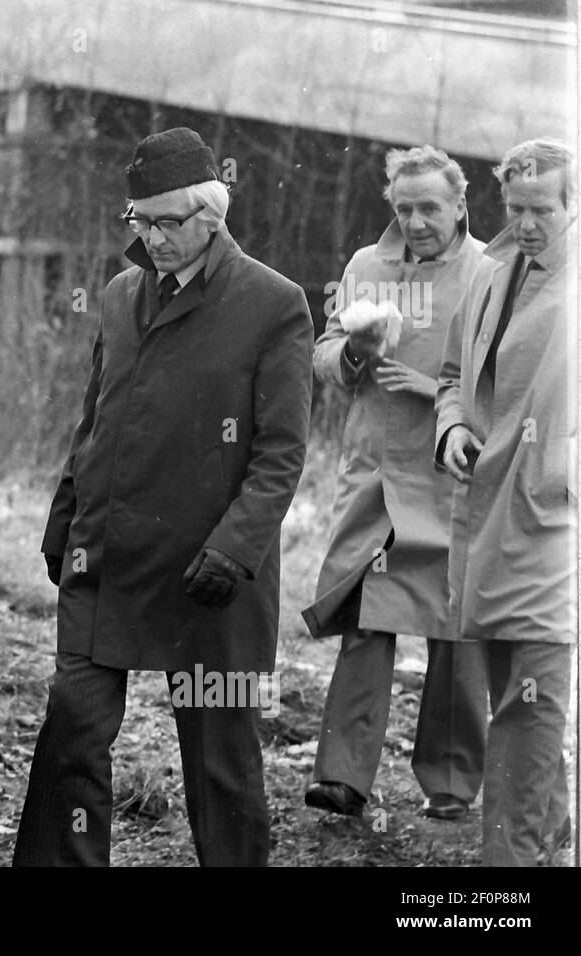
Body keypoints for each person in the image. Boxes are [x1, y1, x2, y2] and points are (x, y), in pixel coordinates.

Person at [13, 127, 313, 866]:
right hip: (109, 552)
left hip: (210, 571)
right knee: (72, 732)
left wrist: (235, 550)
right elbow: (97, 415)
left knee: (221, 764)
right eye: (138, 222)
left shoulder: (275, 304)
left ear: (213, 216)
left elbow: (281, 453)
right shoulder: (120, 295)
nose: (150, 238)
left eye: (167, 223)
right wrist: (64, 514)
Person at [302, 145, 489, 822]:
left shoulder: (490, 272)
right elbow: (324, 356)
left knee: (454, 631)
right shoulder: (365, 267)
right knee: (365, 618)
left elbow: (512, 381)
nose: (415, 220)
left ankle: (451, 781)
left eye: (429, 207)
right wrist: (354, 351)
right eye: (404, 208)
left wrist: (435, 390)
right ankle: (342, 777)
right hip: (376, 474)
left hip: (452, 478)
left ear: (461, 205)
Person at [435, 138, 577, 866]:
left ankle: (509, 871)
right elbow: (455, 372)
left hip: (557, 525)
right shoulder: (490, 274)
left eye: (541, 210)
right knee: (506, 685)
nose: (525, 223)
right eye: (515, 208)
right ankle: (552, 825)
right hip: (487, 513)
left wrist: (562, 470)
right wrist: (455, 424)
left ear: (572, 205)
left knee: (532, 697)